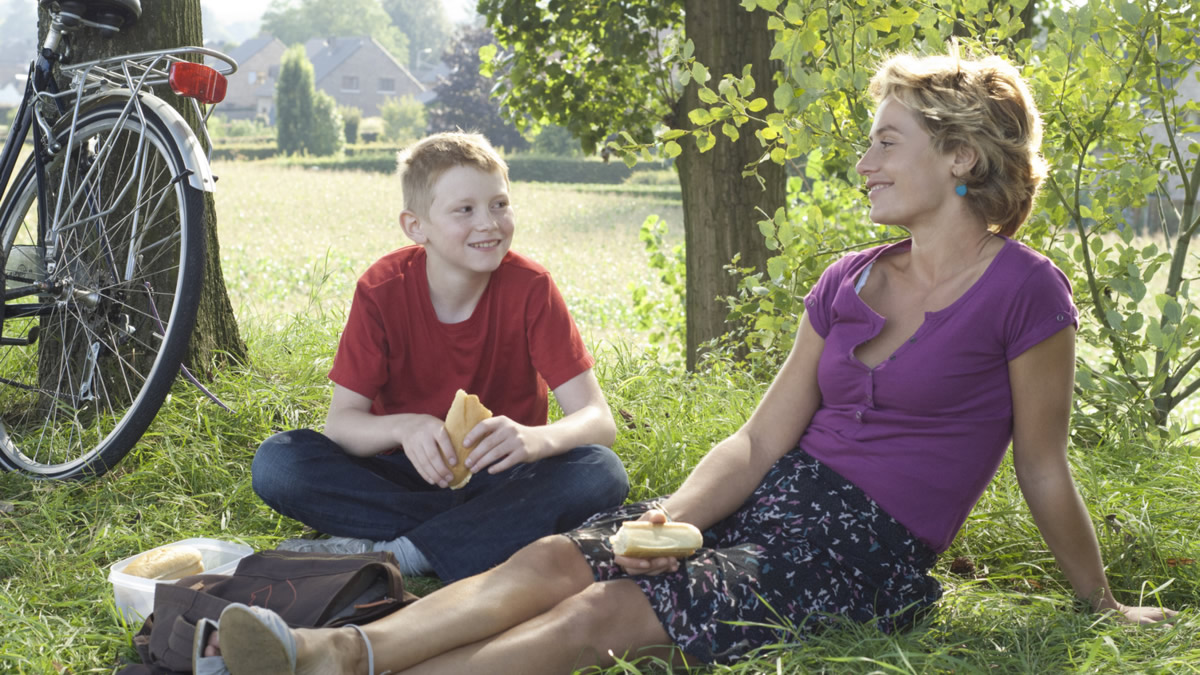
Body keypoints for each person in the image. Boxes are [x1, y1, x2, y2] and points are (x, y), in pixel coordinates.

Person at [205, 52, 1177, 674]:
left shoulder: (1025, 293)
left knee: (605, 613)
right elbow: (757, 442)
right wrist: (673, 515)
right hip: (769, 497)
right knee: (559, 556)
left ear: (961, 157)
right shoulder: (846, 280)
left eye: (887, 142)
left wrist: (1098, 602)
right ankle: (336, 650)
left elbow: (1042, 465)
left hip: (862, 546)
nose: (866, 162)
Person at [249, 131, 629, 582]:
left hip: (501, 474)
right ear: (416, 226)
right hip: (400, 475)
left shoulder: (531, 287)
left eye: (499, 204)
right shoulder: (381, 289)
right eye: (464, 210)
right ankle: (473, 536)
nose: (488, 223)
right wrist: (405, 427)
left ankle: (402, 554)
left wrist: (533, 439)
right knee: (278, 463)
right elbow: (342, 425)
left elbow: (597, 420)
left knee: (601, 472)